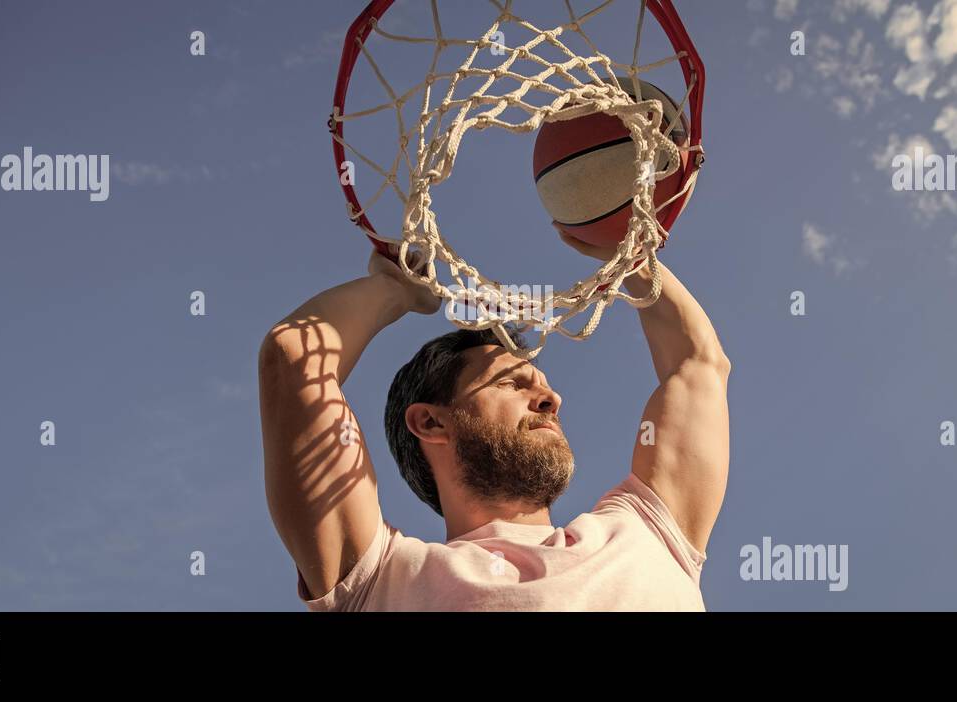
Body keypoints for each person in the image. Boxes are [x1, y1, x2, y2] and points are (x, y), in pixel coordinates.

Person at [258, 232, 731, 611]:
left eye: (541, 384)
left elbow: (698, 364)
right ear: (430, 422)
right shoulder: (380, 580)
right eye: (511, 383)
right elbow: (294, 358)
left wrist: (629, 249)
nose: (550, 397)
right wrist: (396, 288)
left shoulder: (649, 533)